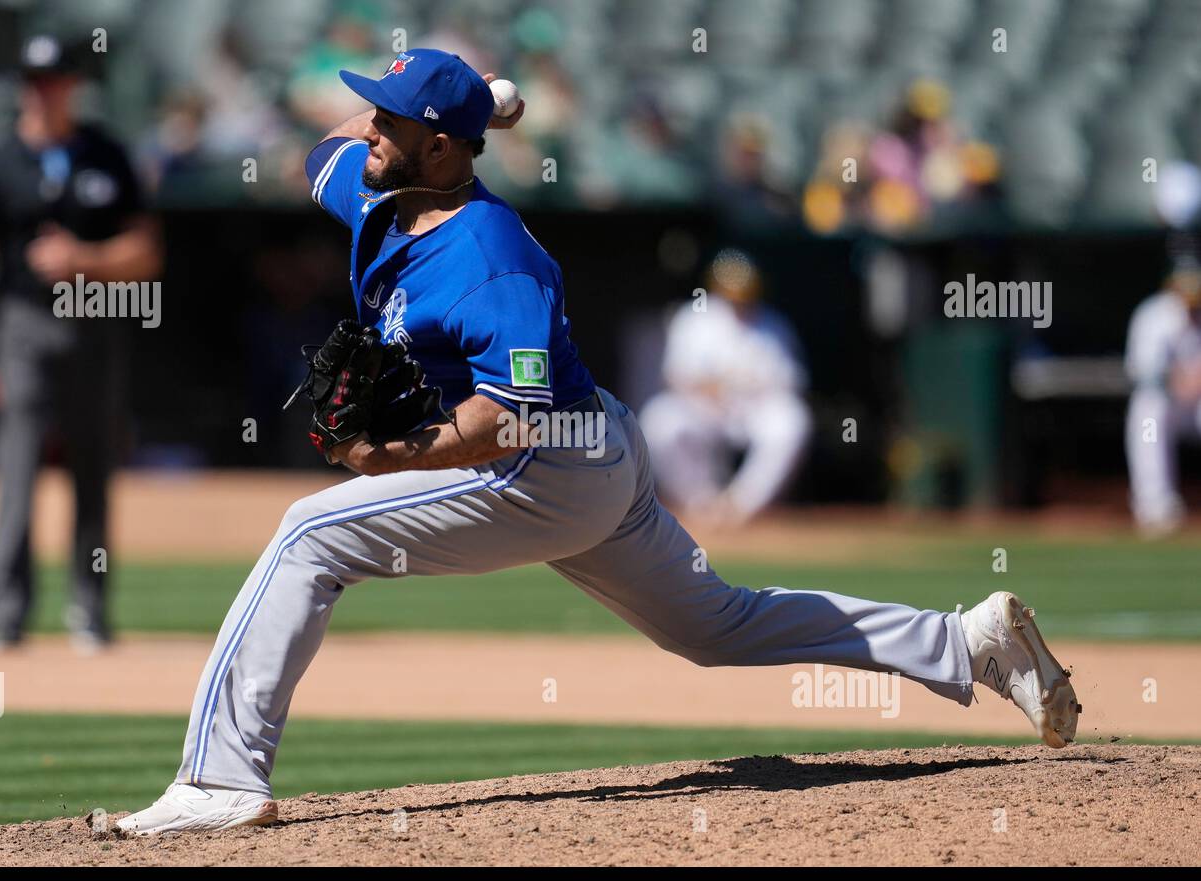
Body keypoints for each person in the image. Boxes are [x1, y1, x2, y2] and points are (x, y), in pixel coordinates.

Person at [118, 49, 1079, 834]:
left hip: (549, 462)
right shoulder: (380, 185)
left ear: (445, 150)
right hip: (596, 449)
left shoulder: (496, 260)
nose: (370, 131)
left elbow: (513, 416)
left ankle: (218, 782)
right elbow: (322, 147)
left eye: (392, 121)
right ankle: (969, 644)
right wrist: (476, 100)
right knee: (714, 627)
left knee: (307, 534)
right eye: (375, 115)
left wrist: (389, 459)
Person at [0, 36, 162, 653]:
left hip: (94, 320)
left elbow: (146, 253)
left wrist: (83, 259)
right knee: (16, 473)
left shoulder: (106, 155)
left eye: (54, 79)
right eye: (34, 80)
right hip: (22, 325)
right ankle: (7, 615)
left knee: (93, 472)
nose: (44, 91)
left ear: (71, 84)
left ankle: (89, 612)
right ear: (23, 87)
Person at [640, 249, 811, 526]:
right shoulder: (695, 317)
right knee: (660, 419)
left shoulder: (772, 323)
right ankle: (702, 502)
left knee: (793, 420)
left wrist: (749, 387)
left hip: (753, 411)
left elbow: (792, 381)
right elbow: (675, 376)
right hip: (706, 411)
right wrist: (713, 387)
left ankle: (742, 505)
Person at [1124, 257, 1201, 535]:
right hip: (1165, 403)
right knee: (1149, 414)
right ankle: (1155, 506)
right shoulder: (1153, 315)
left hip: (1196, 408)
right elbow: (1146, 373)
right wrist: (1180, 379)